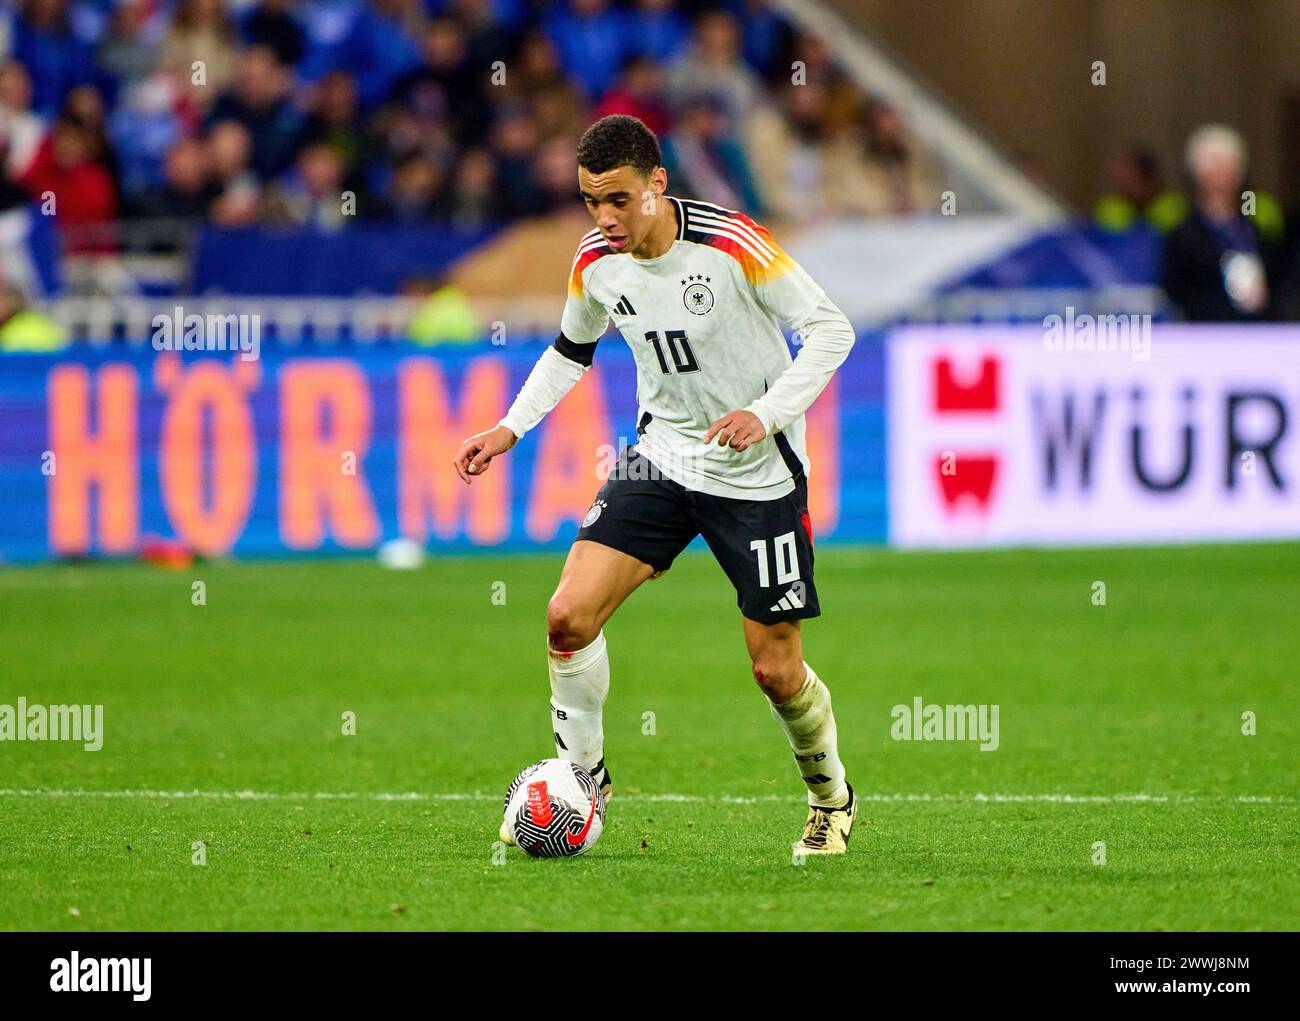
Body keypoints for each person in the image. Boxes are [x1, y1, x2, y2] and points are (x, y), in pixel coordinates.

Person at [452, 115, 860, 855]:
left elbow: (832, 329)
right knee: (567, 617)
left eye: (617, 200)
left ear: (657, 185)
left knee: (775, 670)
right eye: (589, 202)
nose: (603, 219)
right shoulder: (594, 262)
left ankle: (830, 795)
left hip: (757, 471)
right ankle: (583, 779)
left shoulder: (734, 244)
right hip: (661, 457)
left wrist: (763, 414)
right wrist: (509, 426)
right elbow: (571, 350)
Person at [1161, 124, 1284, 321]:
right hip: (1205, 331)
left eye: (1228, 166)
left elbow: (1279, 277)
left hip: (1259, 330)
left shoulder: (1257, 225)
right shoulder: (1182, 233)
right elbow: (1175, 290)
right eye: (1214, 167)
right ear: (1196, 173)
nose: (1222, 177)